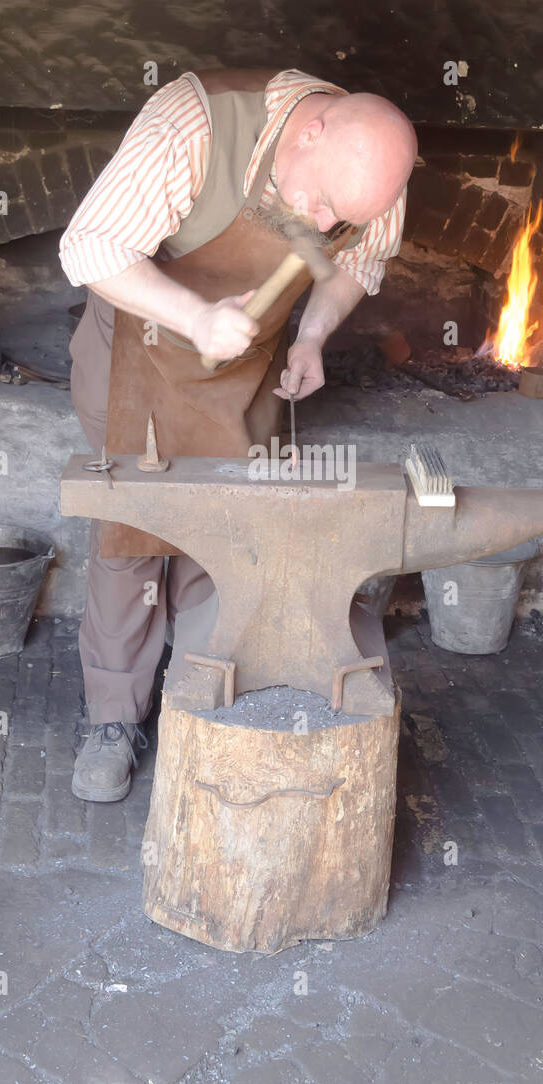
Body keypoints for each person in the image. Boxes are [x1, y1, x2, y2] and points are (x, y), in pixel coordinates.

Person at [59, 67, 417, 802]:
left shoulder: (371, 170)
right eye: (317, 202)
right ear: (310, 130)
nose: (320, 224)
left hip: (242, 371)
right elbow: (88, 248)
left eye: (335, 214)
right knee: (133, 532)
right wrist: (195, 319)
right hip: (141, 342)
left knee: (221, 534)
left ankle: (203, 701)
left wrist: (311, 334)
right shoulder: (193, 125)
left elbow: (359, 259)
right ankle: (112, 720)